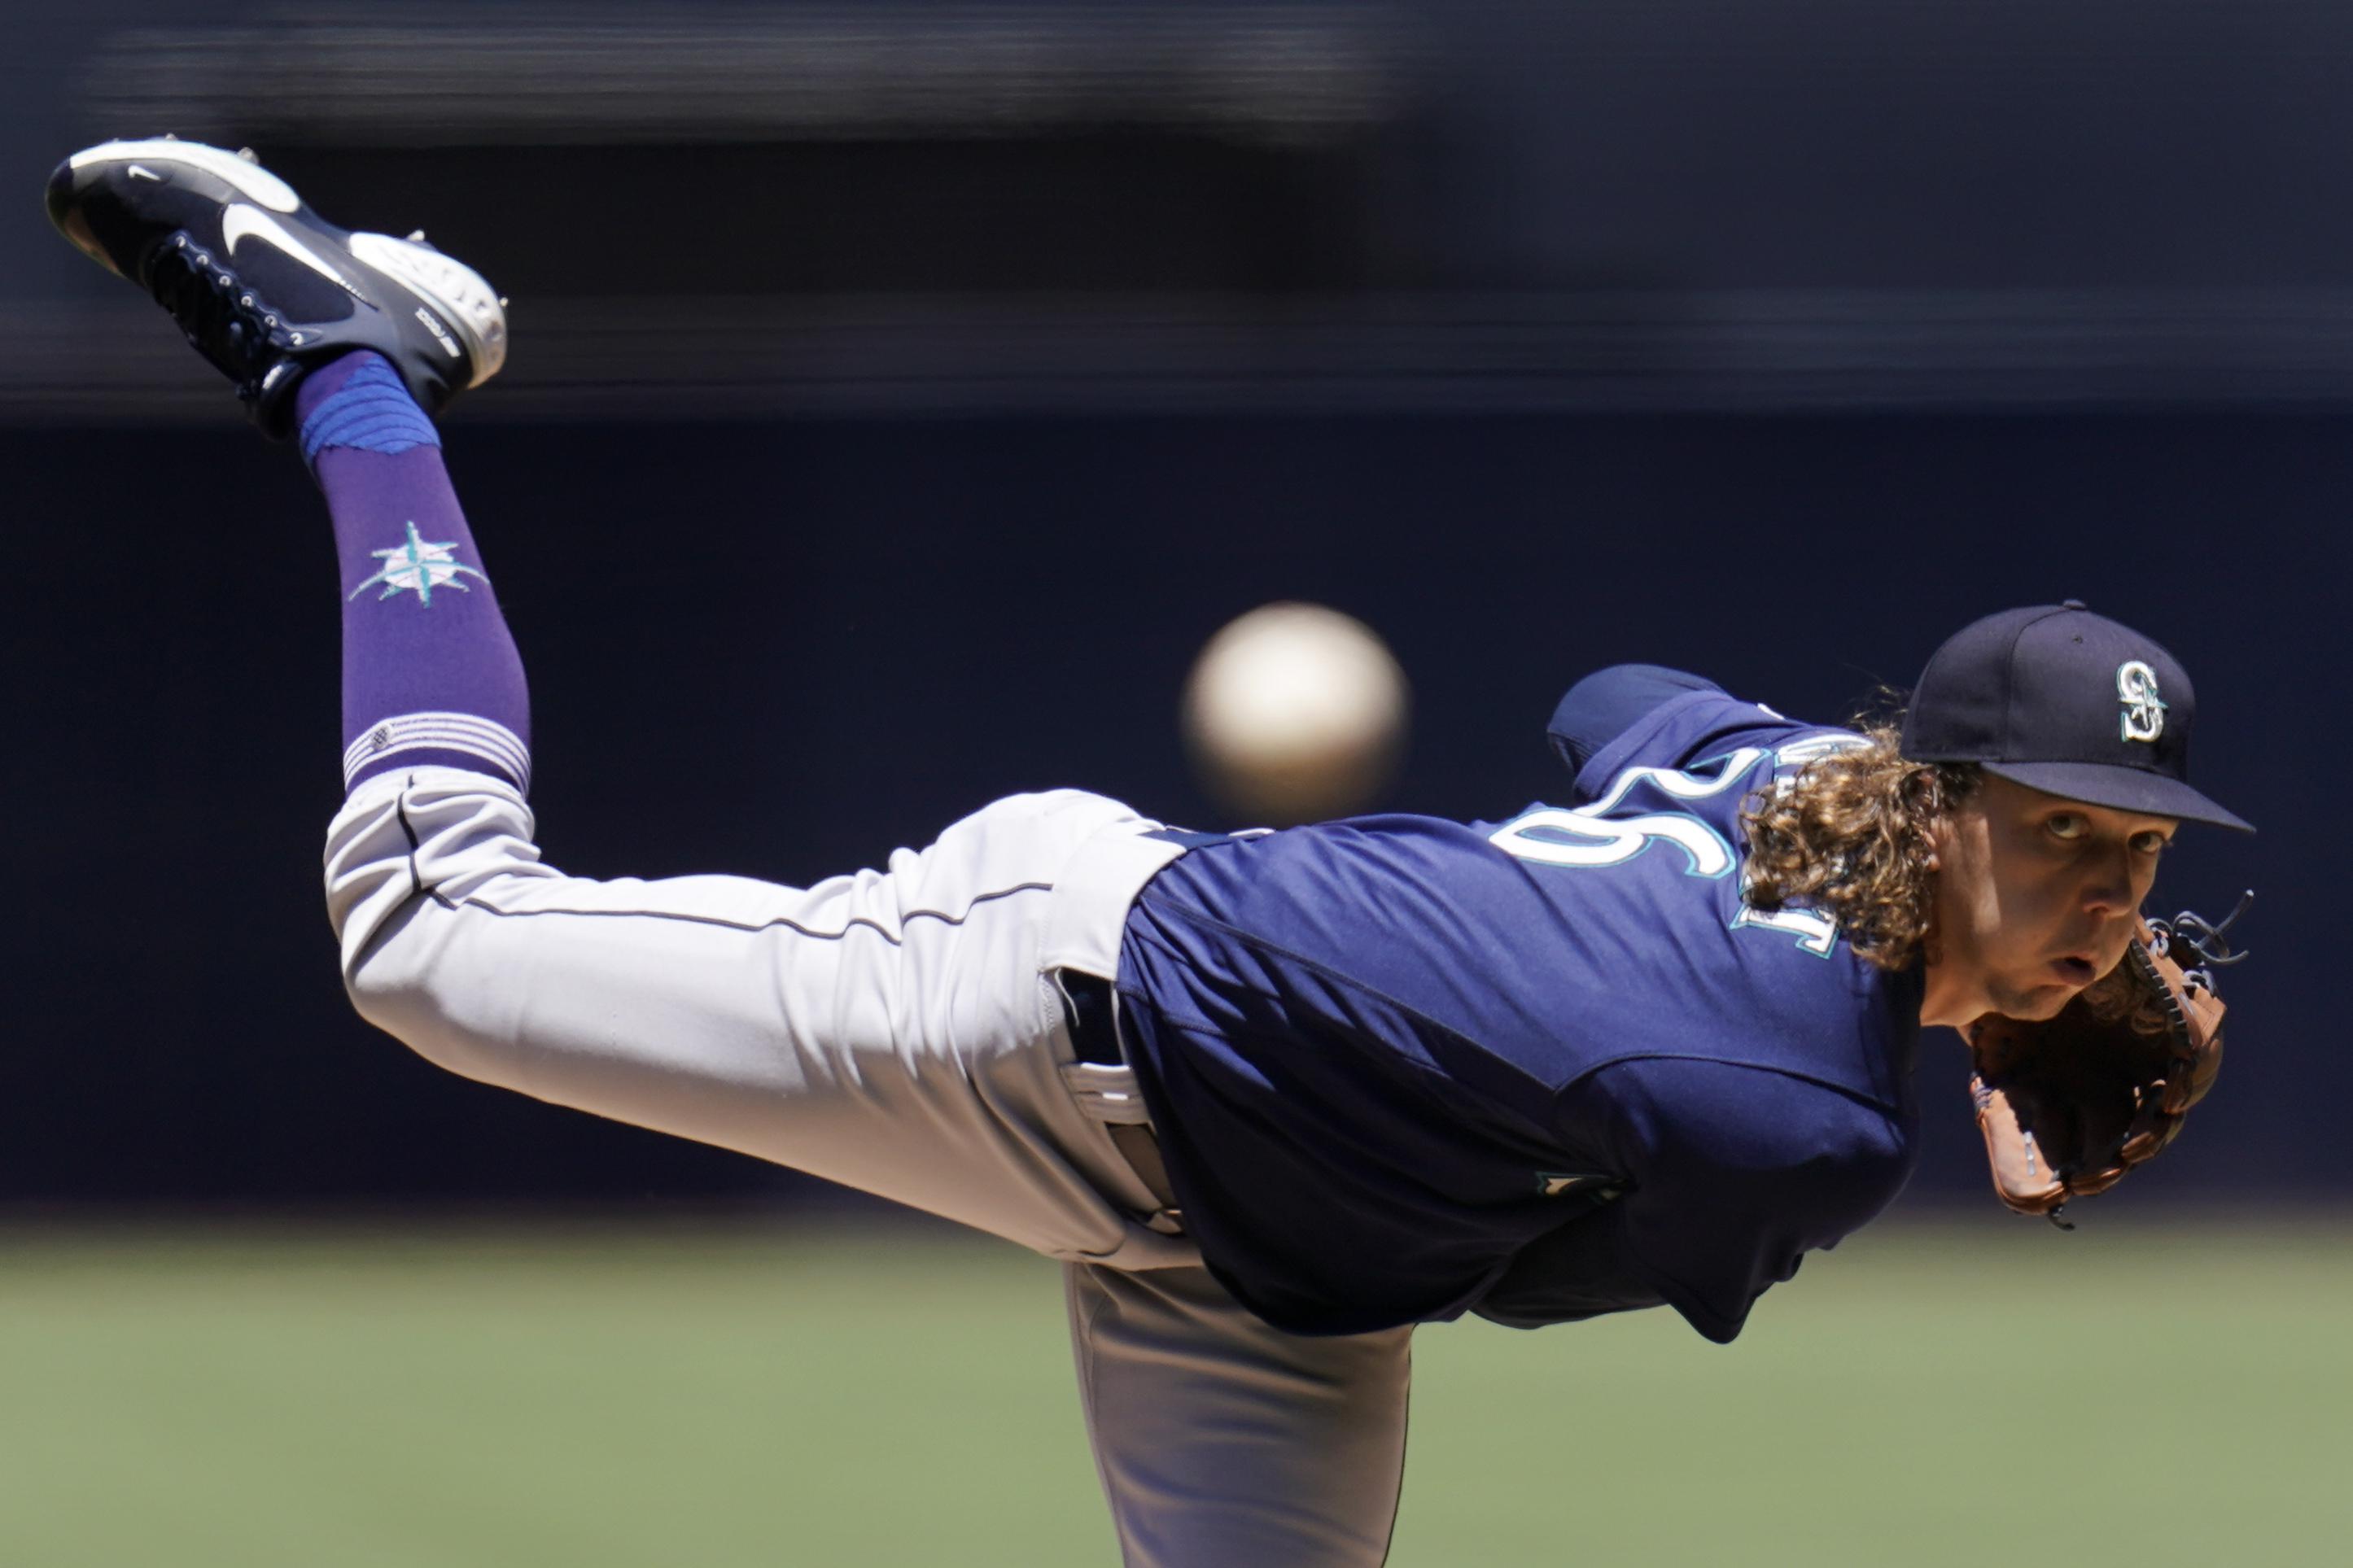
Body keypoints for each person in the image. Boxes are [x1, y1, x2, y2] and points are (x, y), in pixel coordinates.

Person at [49, 140, 2253, 1568]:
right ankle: (359, 363)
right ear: (1941, 804)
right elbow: (1514, 1278)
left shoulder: (1768, 780)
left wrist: (1713, 923)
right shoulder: (1789, 1113)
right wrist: (1922, 1043)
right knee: (429, 940)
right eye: (2056, 839)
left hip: (1258, 1250)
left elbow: (1621, 700)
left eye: (2132, 863)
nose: (2102, 899)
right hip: (1047, 1026)